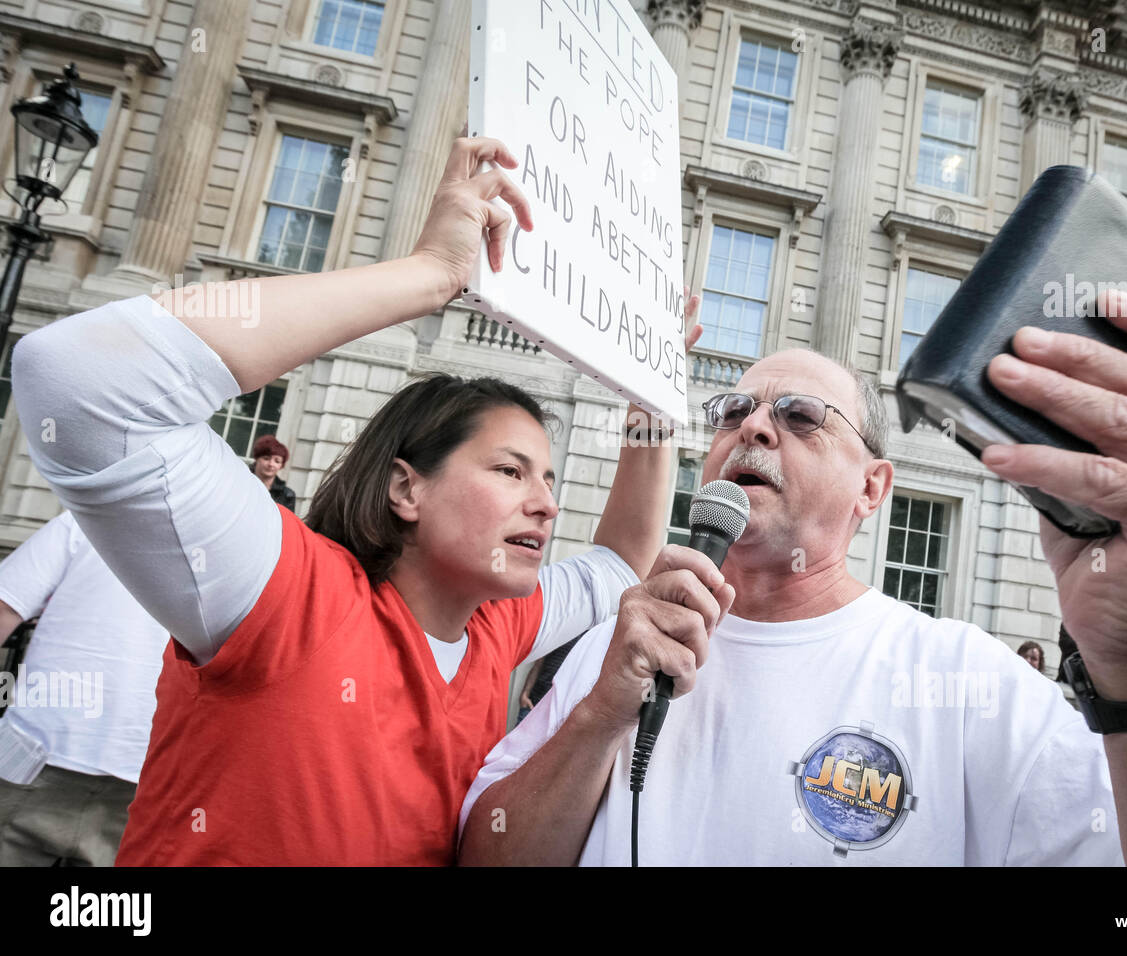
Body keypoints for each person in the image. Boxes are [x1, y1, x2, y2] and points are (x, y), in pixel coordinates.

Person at [12, 137, 698, 866]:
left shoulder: (495, 626)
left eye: (550, 482)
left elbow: (622, 562)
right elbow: (76, 374)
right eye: (510, 471)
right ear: (407, 487)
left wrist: (652, 403)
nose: (546, 506)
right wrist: (427, 276)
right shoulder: (285, 593)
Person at [459, 291, 1127, 866]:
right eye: (732, 412)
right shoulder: (614, 647)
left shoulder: (967, 678)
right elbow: (488, 853)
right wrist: (604, 713)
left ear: (873, 488)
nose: (752, 425)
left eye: (798, 417)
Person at [0, 511, 170, 865]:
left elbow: (5, 606)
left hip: (30, 746)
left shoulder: (86, 518)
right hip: (148, 770)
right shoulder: (235, 547)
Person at [517, 637, 579, 723]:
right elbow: (538, 664)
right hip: (532, 705)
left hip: (556, 715)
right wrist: (525, 694)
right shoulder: (561, 630)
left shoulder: (588, 638)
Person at [249, 433, 297, 512]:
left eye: (277, 461)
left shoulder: (288, 495)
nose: (271, 464)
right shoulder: (240, 483)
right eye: (266, 458)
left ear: (281, 466)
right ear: (256, 458)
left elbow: (286, 522)